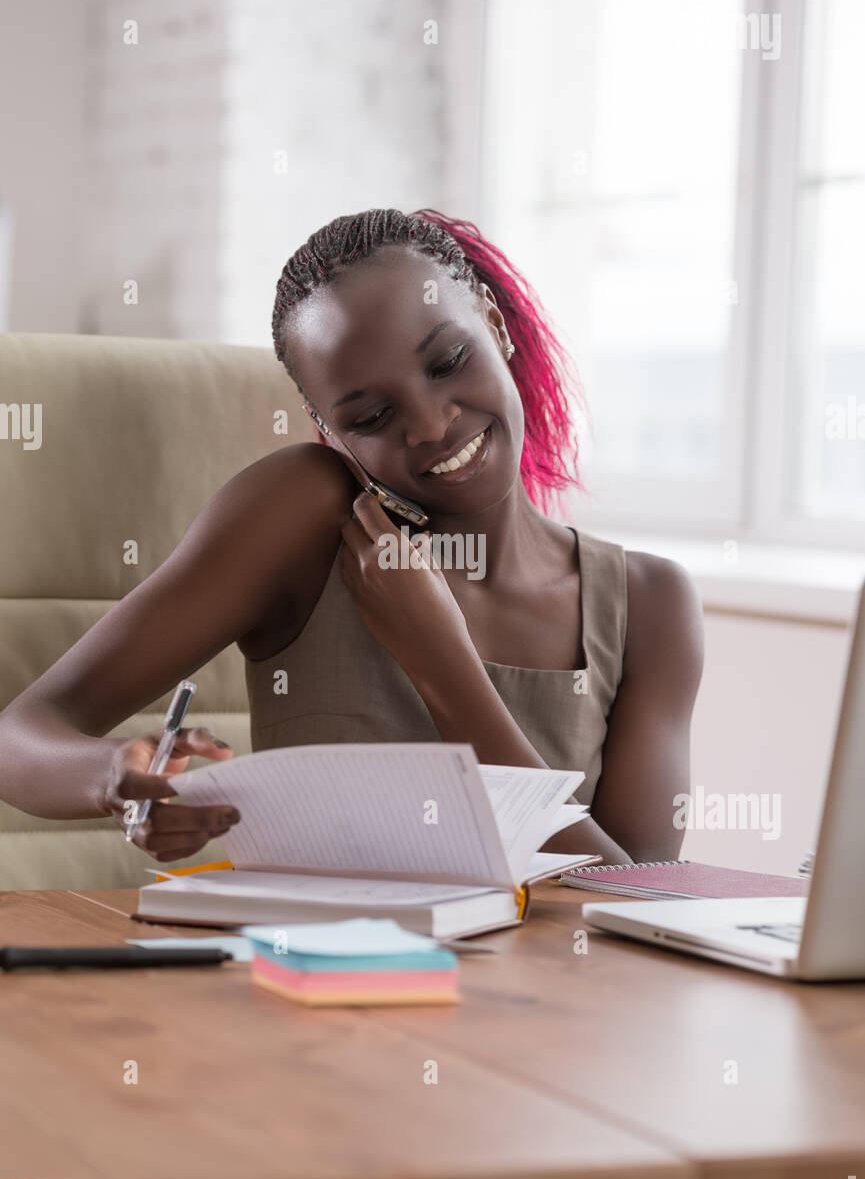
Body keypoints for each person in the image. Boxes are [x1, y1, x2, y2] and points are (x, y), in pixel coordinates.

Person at [0, 208, 703, 867]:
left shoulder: (648, 604)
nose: (429, 425)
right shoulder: (306, 515)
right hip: (312, 989)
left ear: (493, 323)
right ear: (328, 430)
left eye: (448, 362)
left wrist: (441, 665)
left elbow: (635, 901)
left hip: (555, 998)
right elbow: (20, 735)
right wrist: (113, 777)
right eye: (370, 414)